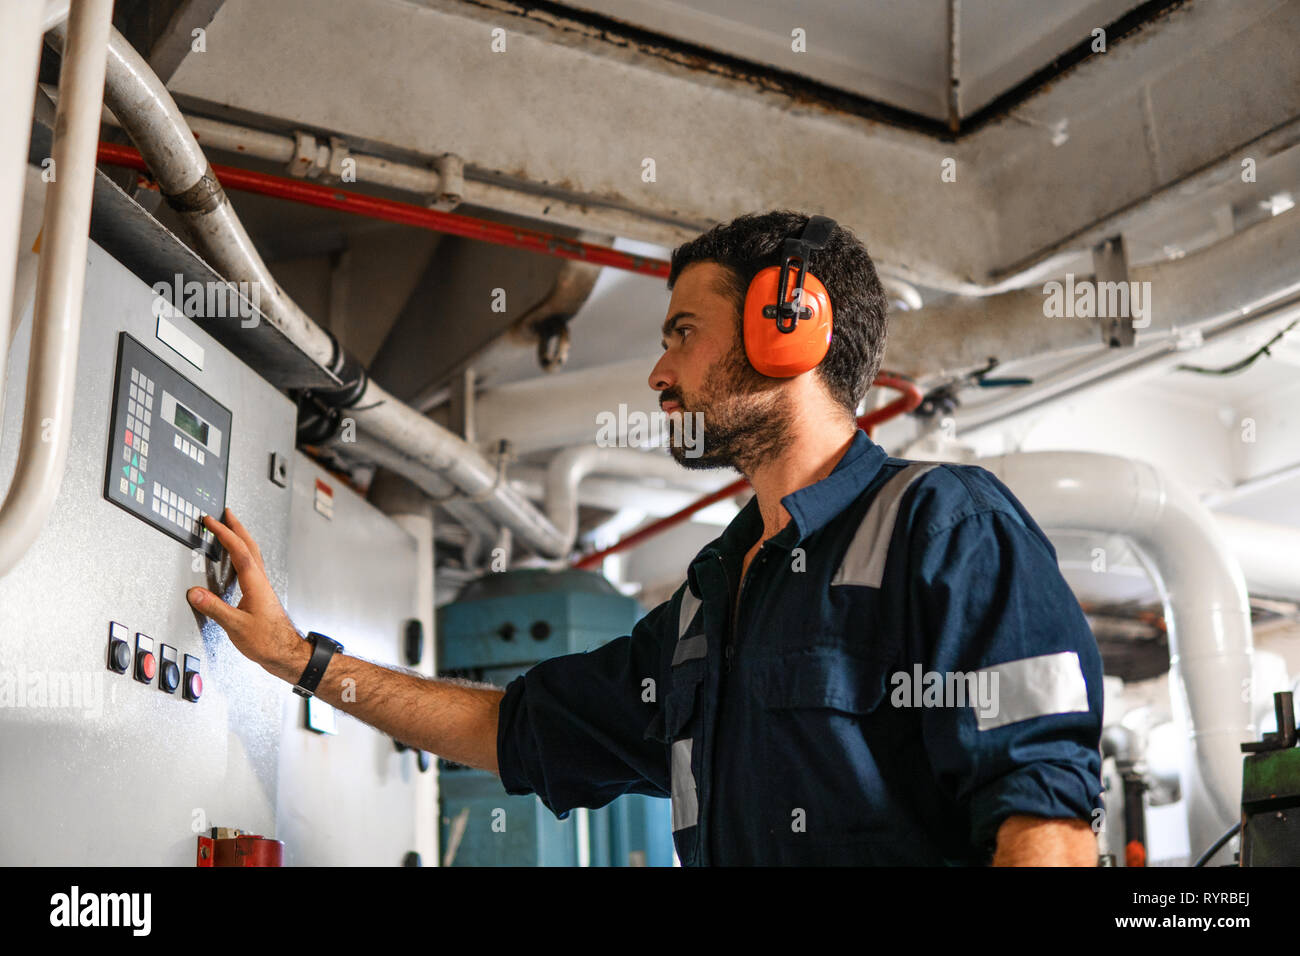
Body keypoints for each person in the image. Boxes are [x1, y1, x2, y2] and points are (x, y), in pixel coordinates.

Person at [189, 210, 1104, 866]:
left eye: (682, 332)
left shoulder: (945, 527)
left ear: (787, 327)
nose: (661, 373)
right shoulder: (713, 592)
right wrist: (301, 662)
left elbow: (1045, 829)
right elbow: (517, 729)